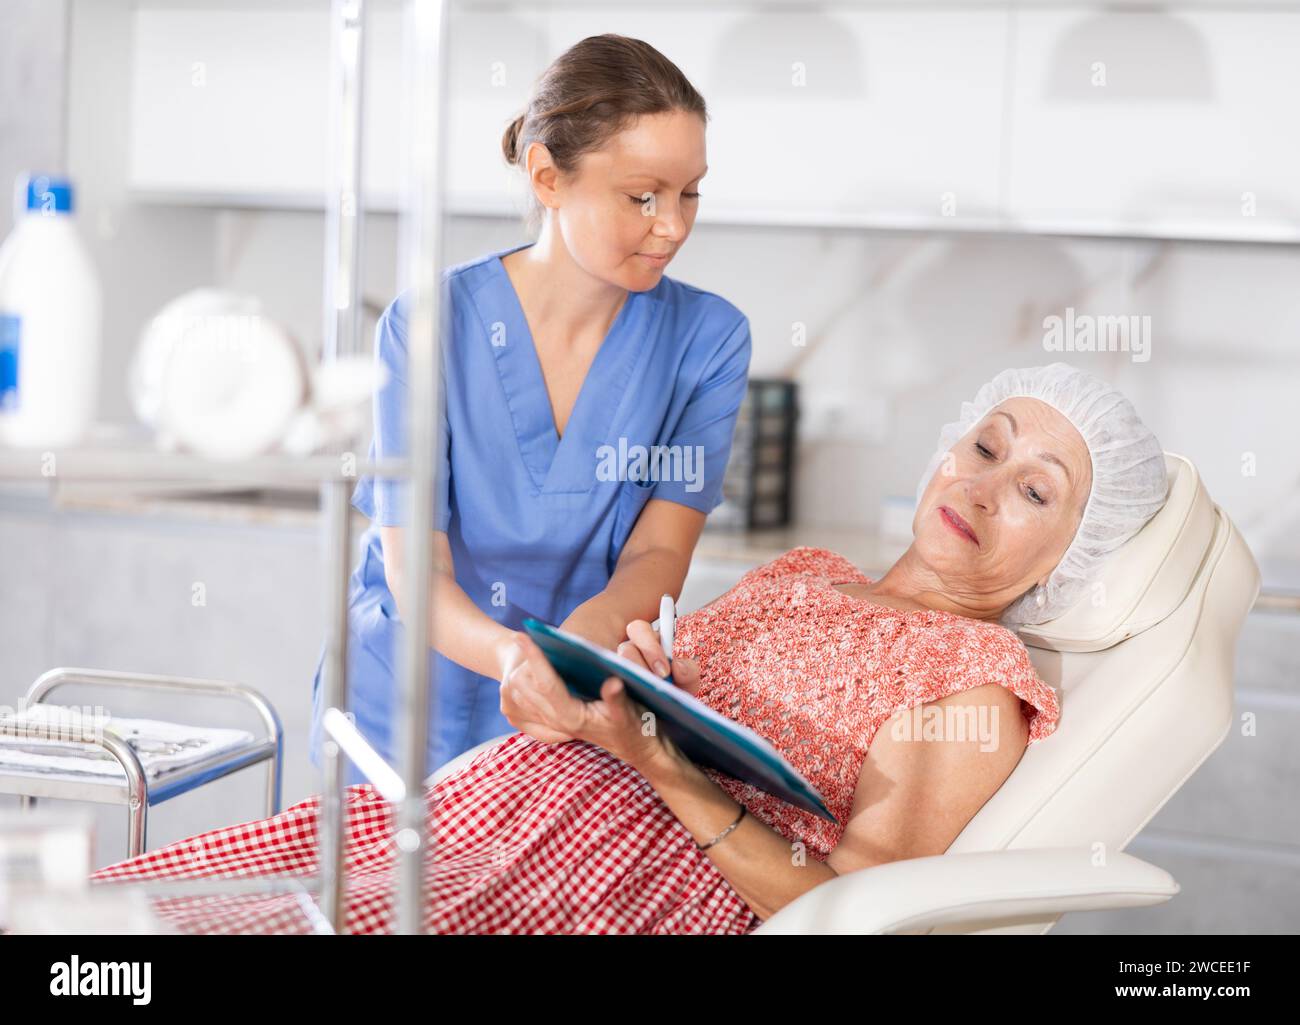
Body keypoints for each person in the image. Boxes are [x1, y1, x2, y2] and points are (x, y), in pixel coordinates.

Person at [95, 363, 1169, 935]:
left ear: (1067, 556)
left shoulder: (974, 687)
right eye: (983, 446)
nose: (981, 485)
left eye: (1033, 489)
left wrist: (660, 758)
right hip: (482, 808)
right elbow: (583, 711)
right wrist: (588, 693)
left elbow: (845, 904)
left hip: (608, 886)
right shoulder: (798, 571)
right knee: (122, 913)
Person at [309, 35, 752, 780]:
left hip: (569, 713)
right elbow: (416, 565)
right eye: (643, 196)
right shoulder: (430, 327)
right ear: (547, 176)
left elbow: (658, 553)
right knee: (377, 896)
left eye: (690, 192)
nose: (672, 224)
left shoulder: (708, 340)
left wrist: (574, 652)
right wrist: (513, 653)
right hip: (399, 704)